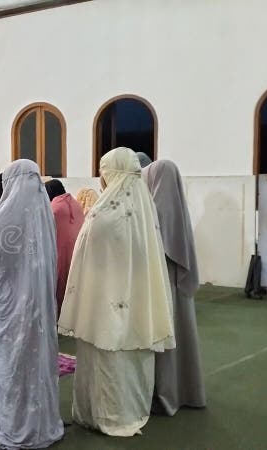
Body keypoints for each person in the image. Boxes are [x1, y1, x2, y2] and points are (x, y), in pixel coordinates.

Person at [58, 147, 174, 437]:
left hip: (103, 302)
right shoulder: (144, 208)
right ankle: (131, 410)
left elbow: (88, 256)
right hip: (136, 300)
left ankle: (106, 416)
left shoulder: (104, 214)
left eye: (104, 172)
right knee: (132, 357)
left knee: (107, 359)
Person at [0, 160, 64, 449]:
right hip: (38, 305)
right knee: (36, 363)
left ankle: (15, 426)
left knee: (14, 363)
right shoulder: (43, 215)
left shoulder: (4, 217)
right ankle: (40, 423)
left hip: (11, 308)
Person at [143, 159, 206, 415]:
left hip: (165, 284)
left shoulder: (156, 211)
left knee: (166, 334)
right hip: (177, 287)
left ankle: (165, 394)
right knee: (182, 335)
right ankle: (187, 392)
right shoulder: (178, 208)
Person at [45, 179, 85, 317]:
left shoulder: (54, 208)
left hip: (60, 256)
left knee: (60, 286)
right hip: (77, 254)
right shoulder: (76, 204)